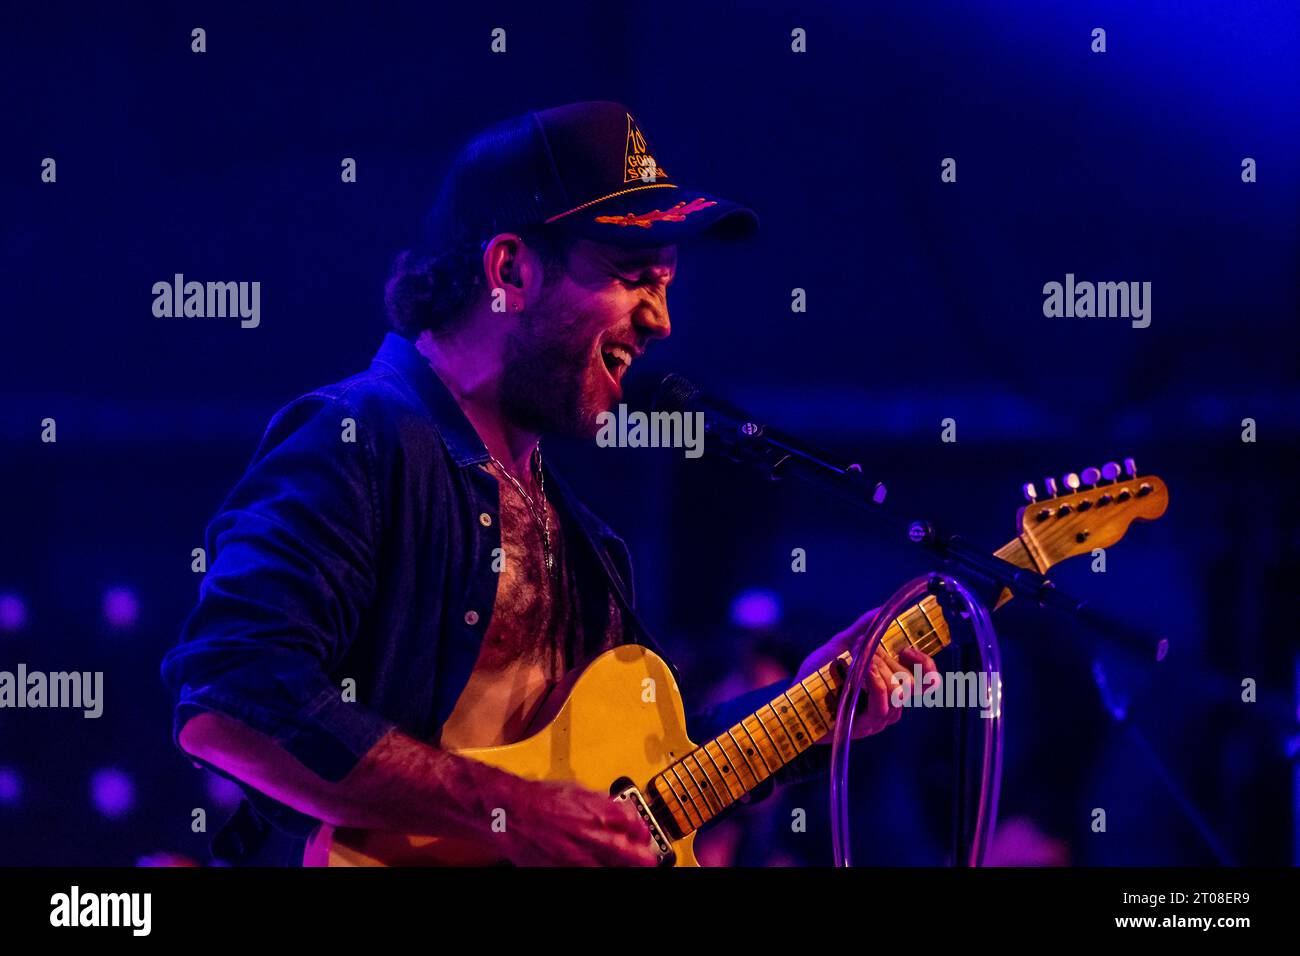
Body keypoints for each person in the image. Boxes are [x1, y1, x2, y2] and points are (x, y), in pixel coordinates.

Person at [161, 101, 936, 866]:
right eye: (633, 275)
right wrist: (509, 811)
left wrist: (808, 710)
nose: (661, 318)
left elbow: (633, 789)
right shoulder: (361, 438)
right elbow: (232, 693)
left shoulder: (584, 538)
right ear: (511, 272)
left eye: (666, 284)